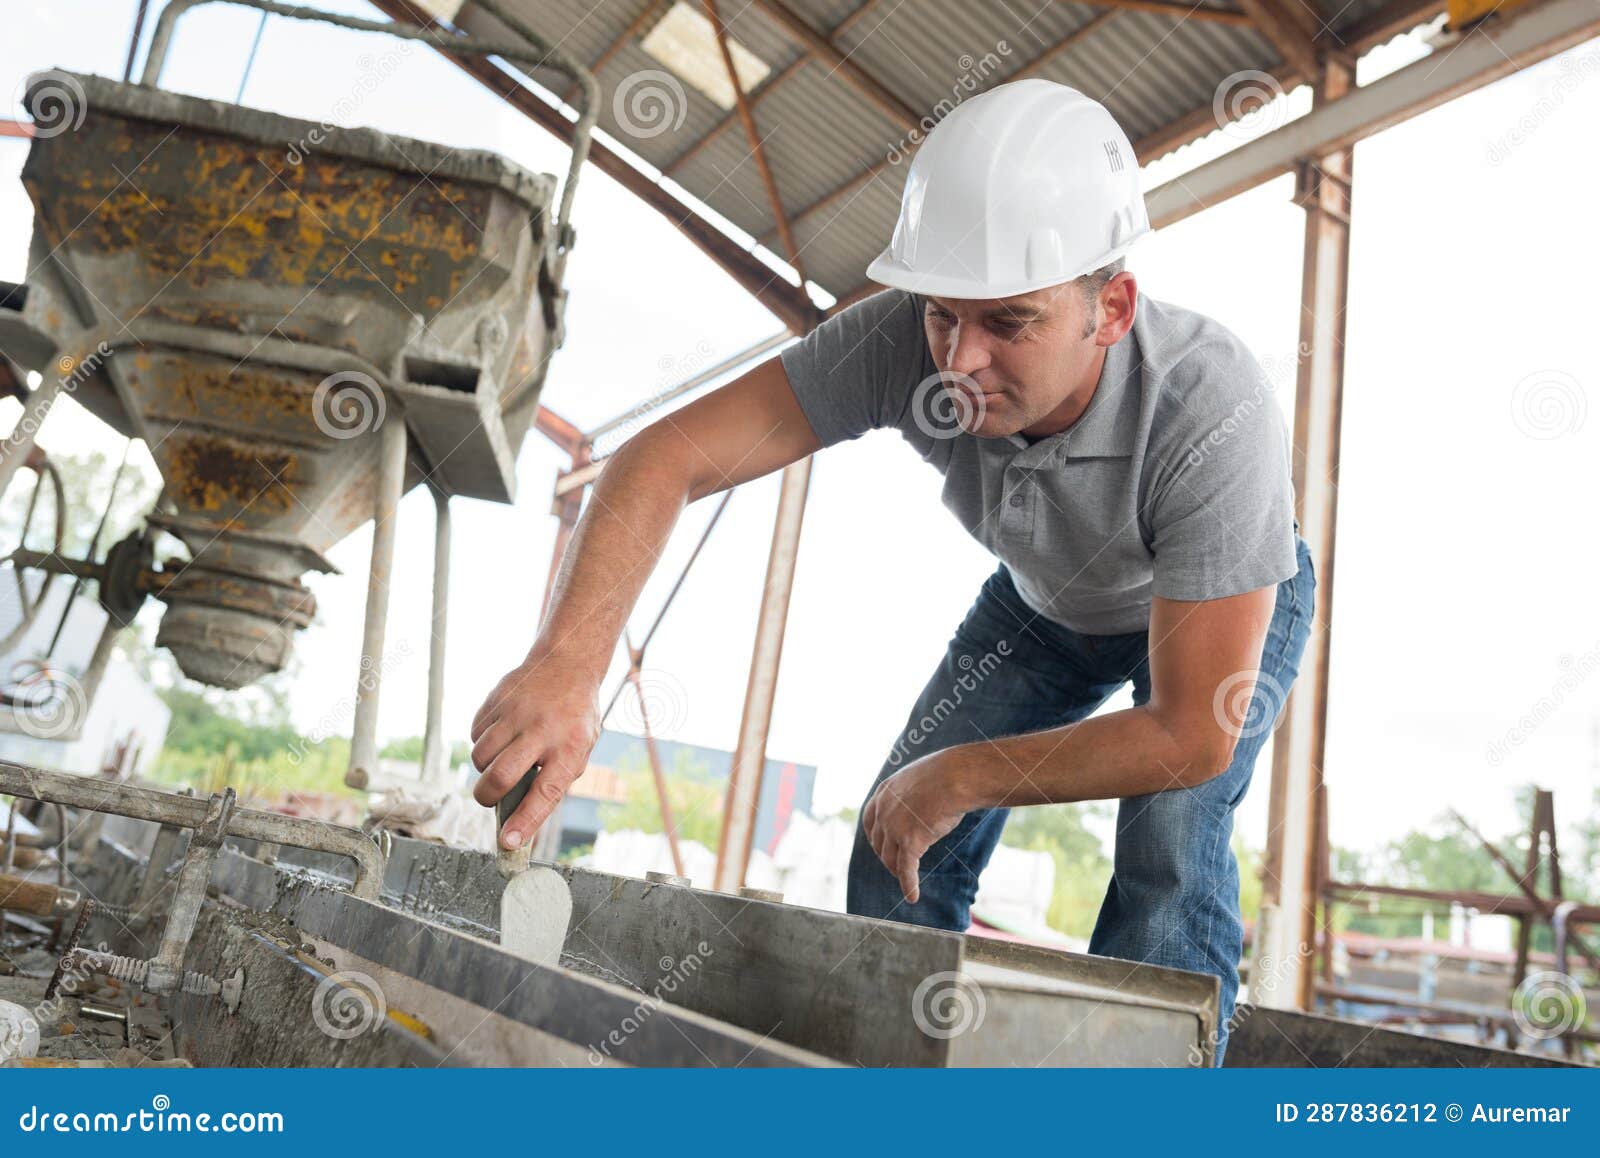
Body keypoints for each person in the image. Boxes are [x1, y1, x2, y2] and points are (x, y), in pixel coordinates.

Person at [470, 78, 1314, 1064]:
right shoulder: (898, 342)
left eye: (1007, 322)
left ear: (1111, 307)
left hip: (1210, 612)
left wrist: (961, 773)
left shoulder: (1208, 408)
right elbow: (664, 459)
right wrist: (569, 664)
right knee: (893, 845)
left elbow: (1187, 737)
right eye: (941, 317)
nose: (958, 359)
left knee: (1169, 860)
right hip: (1042, 608)